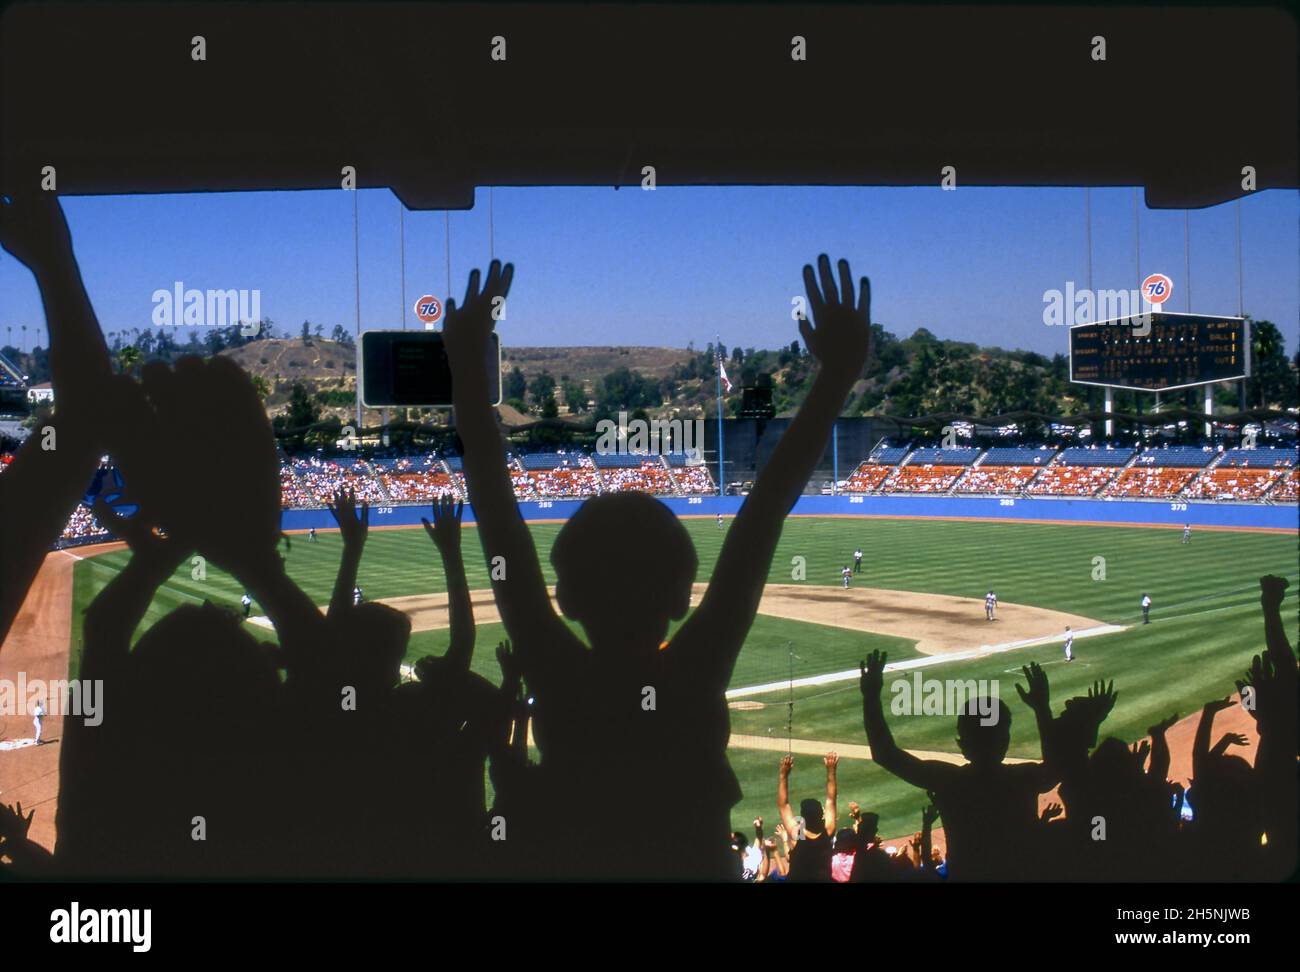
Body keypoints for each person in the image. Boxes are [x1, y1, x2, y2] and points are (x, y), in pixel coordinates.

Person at [442, 255, 873, 880]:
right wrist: (835, 380)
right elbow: (763, 515)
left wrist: (465, 380)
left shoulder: (562, 677)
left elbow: (498, 518)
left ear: (566, 598)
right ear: (678, 596)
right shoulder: (692, 677)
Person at [777, 752, 839, 882]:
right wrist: (831, 770)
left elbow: (783, 805)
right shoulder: (828, 831)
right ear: (821, 816)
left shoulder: (797, 834)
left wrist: (784, 775)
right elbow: (831, 800)